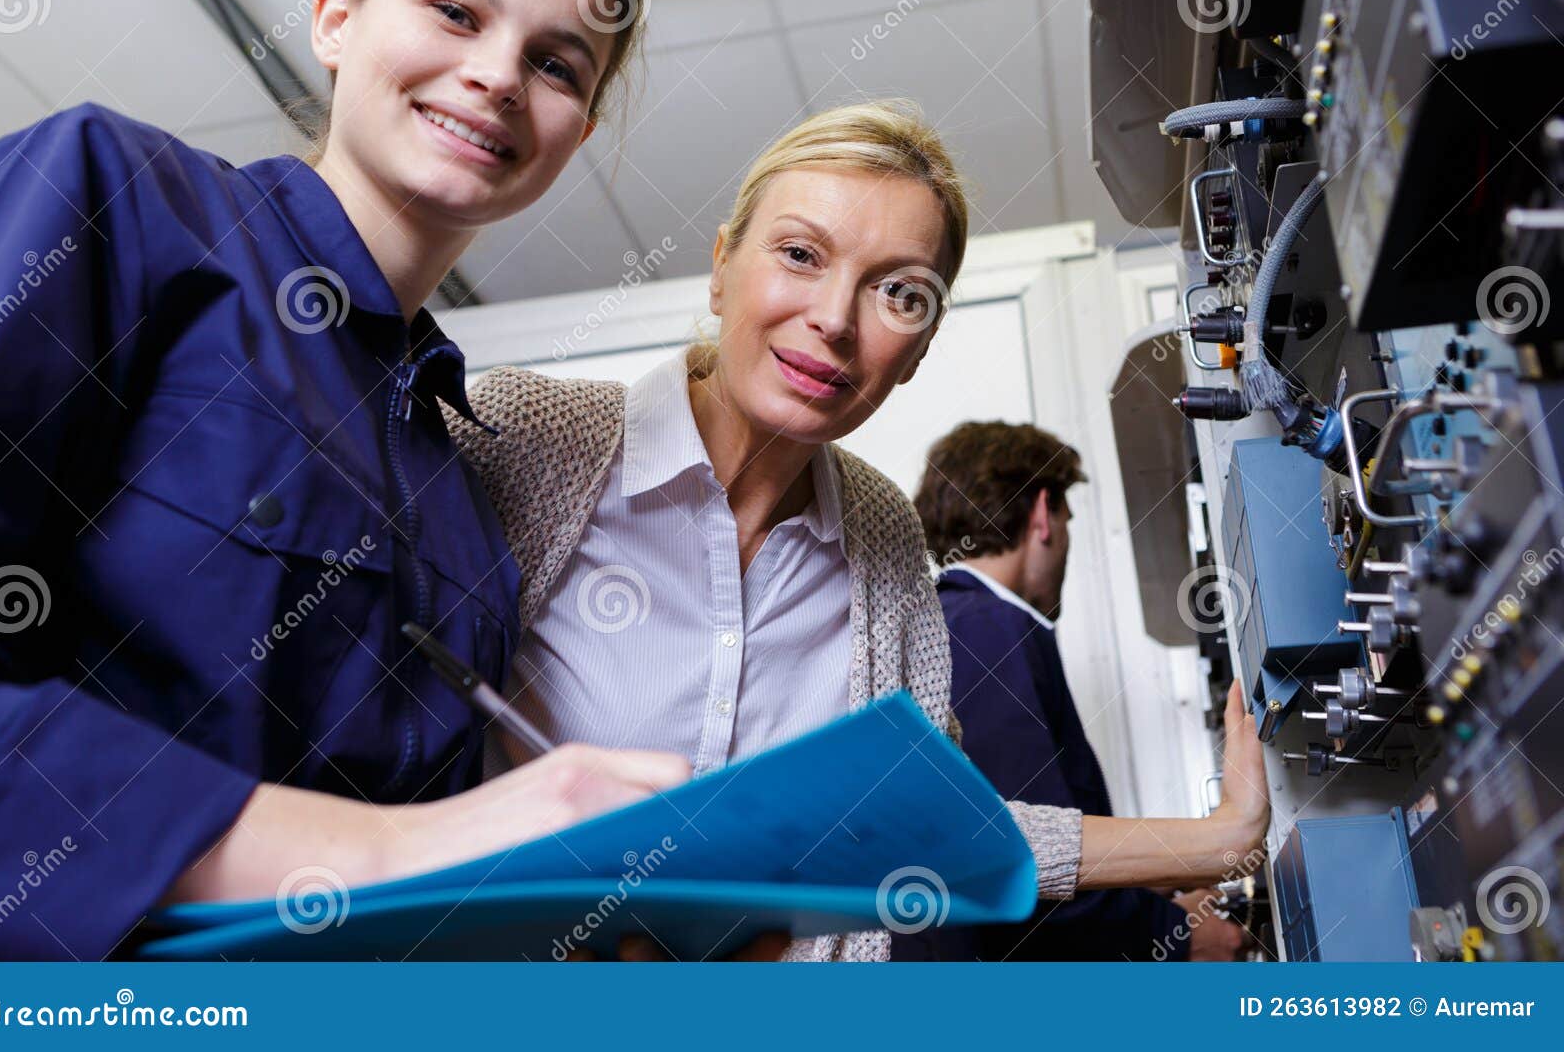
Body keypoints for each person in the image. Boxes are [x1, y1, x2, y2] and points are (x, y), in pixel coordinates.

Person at [0, 0, 727, 960]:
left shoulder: (463, 505)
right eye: (458, 13)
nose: (501, 76)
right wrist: (384, 849)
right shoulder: (113, 198)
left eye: (558, 67)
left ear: (575, 135)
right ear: (333, 19)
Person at [448, 99, 1271, 961]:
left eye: (898, 293)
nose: (836, 319)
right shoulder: (526, 440)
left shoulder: (882, 540)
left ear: (918, 349)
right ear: (722, 266)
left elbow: (930, 823)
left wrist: (1222, 835)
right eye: (800, 254)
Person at [903, 420, 1251, 960]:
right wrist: (1178, 935)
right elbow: (1027, 865)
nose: (1064, 539)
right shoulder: (986, 629)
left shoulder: (958, 624)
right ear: (1043, 514)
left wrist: (1145, 883)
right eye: (1066, 518)